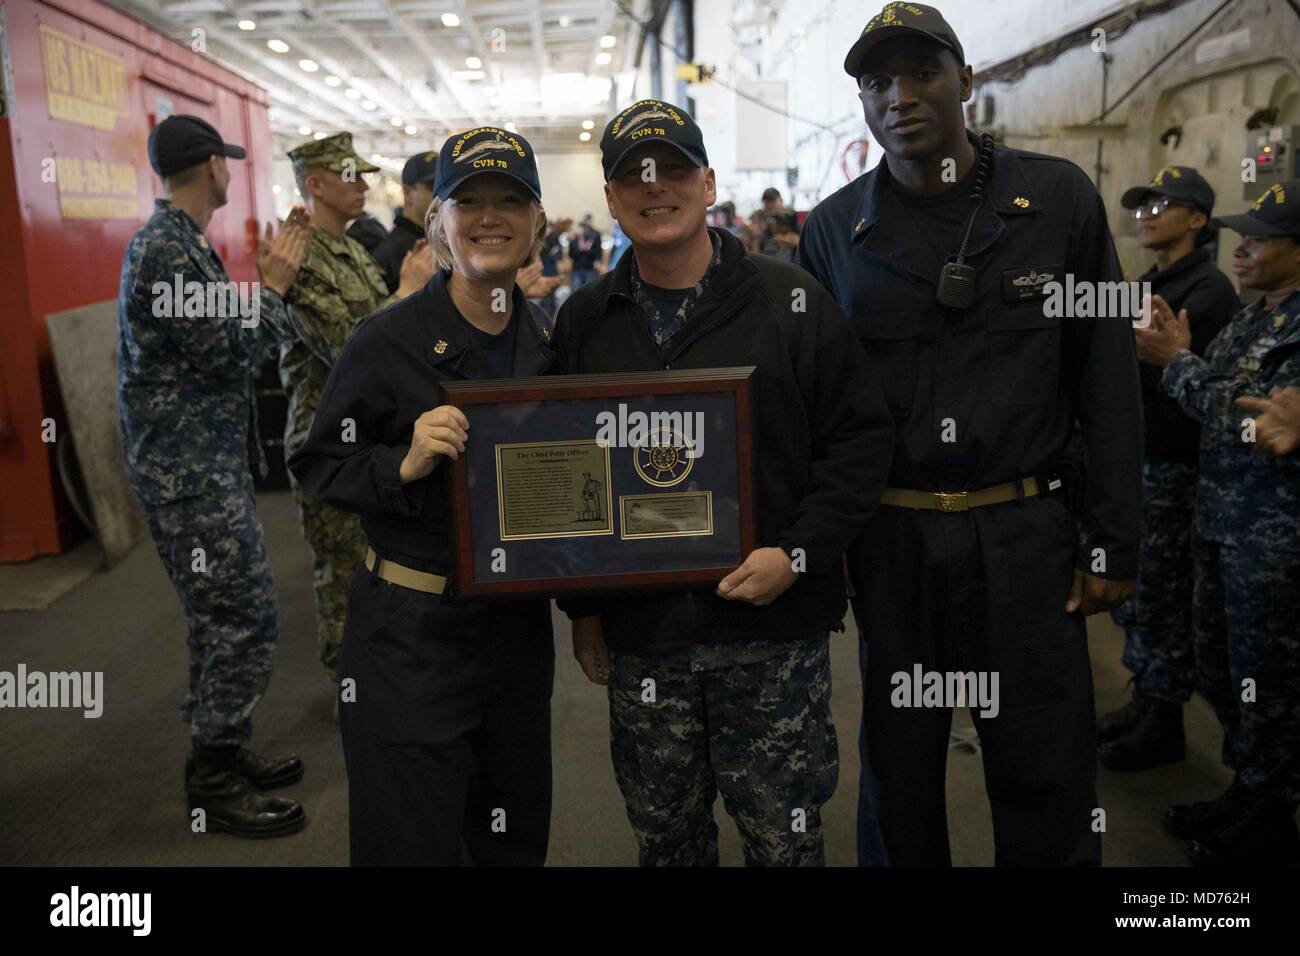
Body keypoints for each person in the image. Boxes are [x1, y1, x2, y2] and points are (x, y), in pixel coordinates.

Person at [798, 3, 1141, 866]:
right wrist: (822, 541)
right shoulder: (835, 232)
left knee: (1046, 768)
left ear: (966, 81)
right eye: (877, 81)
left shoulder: (1057, 201)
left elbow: (1104, 376)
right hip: (893, 539)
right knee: (901, 773)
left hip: (1024, 537)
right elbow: (816, 408)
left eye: (921, 73)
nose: (899, 95)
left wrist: (1113, 542)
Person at [555, 99, 894, 866]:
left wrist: (798, 554)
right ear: (610, 198)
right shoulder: (584, 322)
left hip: (772, 635)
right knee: (667, 840)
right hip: (646, 640)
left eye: (673, 168)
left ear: (707, 183)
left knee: (786, 842)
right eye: (632, 176)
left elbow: (859, 444)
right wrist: (582, 609)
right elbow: (565, 467)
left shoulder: (793, 301)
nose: (655, 187)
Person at [288, 127, 557, 866]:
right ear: (436, 220)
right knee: (408, 842)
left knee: (512, 838)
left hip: (516, 634)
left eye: (511, 200)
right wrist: (398, 463)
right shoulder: (386, 340)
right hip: (412, 635)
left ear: (539, 222)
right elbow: (316, 465)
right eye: (467, 200)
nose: (490, 217)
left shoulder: (549, 344)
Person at [118, 114, 309, 837]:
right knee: (243, 616)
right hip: (188, 475)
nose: (233, 171)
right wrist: (276, 289)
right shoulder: (167, 250)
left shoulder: (180, 245)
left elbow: (219, 340)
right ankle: (214, 778)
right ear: (207, 166)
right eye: (225, 162)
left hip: (202, 466)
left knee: (218, 617)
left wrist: (264, 293)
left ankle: (224, 748)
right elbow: (230, 353)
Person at [1135, 181, 1300, 866]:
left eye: (1261, 237)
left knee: (1271, 678)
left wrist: (1176, 364)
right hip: (1221, 521)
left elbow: (1247, 420)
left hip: (1273, 537)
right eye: (1243, 234)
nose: (1244, 248)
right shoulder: (1253, 317)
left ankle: (1271, 811)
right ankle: (1248, 785)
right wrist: (1188, 365)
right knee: (1224, 667)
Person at [271, 132, 435, 694]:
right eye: (349, 175)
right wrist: (408, 291)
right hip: (329, 443)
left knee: (371, 566)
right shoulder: (305, 261)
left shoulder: (349, 248)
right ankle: (349, 693)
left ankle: (374, 682)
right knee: (341, 576)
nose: (362, 185)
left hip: (369, 438)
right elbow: (350, 348)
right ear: (314, 183)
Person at [1098, 167, 1238, 772]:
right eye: (1143, 203)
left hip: (1176, 465)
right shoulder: (1152, 281)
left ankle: (1164, 718)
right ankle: (1148, 694)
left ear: (1198, 219)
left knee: (1163, 592)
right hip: (1142, 455)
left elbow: (1147, 365)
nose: (1147, 213)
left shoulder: (1206, 289)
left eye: (1164, 204)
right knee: (1139, 588)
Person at [372, 150, 438, 293]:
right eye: (432, 188)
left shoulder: (432, 240)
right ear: (408, 193)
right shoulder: (398, 250)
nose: (440, 195)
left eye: (444, 186)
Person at [568, 213, 602, 289]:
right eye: (583, 226)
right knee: (576, 290)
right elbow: (570, 253)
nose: (584, 228)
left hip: (589, 266)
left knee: (589, 289)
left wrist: (597, 260)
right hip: (577, 267)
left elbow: (598, 249)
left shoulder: (595, 234)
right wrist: (580, 245)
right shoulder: (575, 237)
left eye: (586, 225)